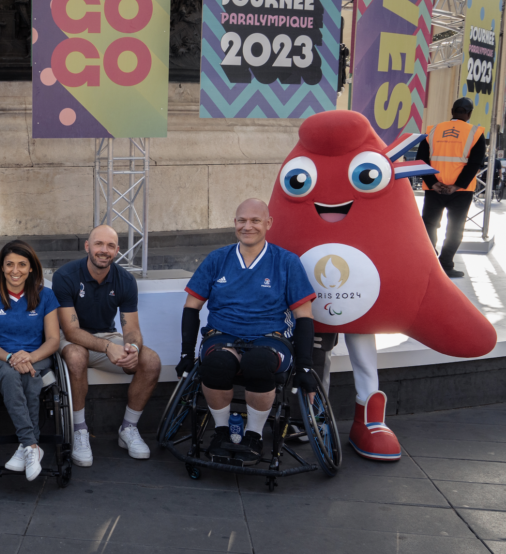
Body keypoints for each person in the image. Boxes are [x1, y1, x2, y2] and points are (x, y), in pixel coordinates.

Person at [176, 199, 317, 466]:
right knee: (216, 364)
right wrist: (186, 353)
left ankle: (253, 435)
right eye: (242, 220)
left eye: (255, 220)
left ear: (268, 223)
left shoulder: (286, 262)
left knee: (258, 363)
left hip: (271, 338)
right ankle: (221, 432)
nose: (247, 226)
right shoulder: (217, 259)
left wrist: (305, 367)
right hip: (222, 335)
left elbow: (304, 316)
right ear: (235, 223)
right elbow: (191, 307)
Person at [53, 225, 161, 466]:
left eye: (110, 246)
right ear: (87, 246)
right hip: (70, 338)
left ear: (117, 250)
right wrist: (107, 348)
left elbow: (132, 329)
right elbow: (70, 331)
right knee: (76, 356)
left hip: (106, 337)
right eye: (99, 244)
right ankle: (79, 430)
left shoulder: (125, 280)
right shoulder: (65, 276)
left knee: (151, 360)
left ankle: (128, 428)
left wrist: (133, 349)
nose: (104, 250)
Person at [0, 240, 60, 481]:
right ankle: (31, 445)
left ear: (31, 268)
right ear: (1, 267)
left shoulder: (46, 296)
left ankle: (26, 447)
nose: (15, 270)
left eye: (22, 264)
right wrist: (11, 357)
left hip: (37, 356)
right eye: (9, 264)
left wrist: (30, 356)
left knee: (29, 373)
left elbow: (53, 340)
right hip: (1, 357)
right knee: (15, 375)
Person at [418, 97, 487, 278]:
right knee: (455, 228)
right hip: (461, 191)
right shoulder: (476, 133)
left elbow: (421, 160)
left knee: (429, 225)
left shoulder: (432, 131)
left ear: (452, 111)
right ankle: (446, 265)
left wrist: (433, 183)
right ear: (469, 114)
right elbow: (475, 164)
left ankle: (430, 263)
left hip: (434, 189)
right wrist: (457, 186)